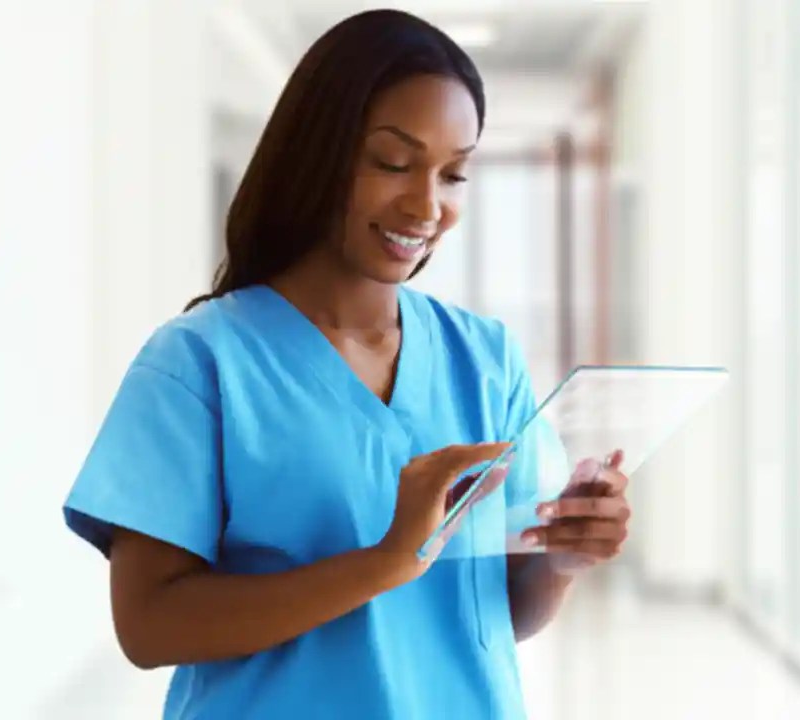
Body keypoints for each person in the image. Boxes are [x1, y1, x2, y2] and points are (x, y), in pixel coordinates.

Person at [63, 9, 632, 719]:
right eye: (393, 163)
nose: (428, 205)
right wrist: (382, 564)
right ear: (320, 153)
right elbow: (148, 627)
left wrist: (562, 560)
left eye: (453, 174)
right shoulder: (200, 362)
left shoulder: (484, 359)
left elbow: (494, 617)